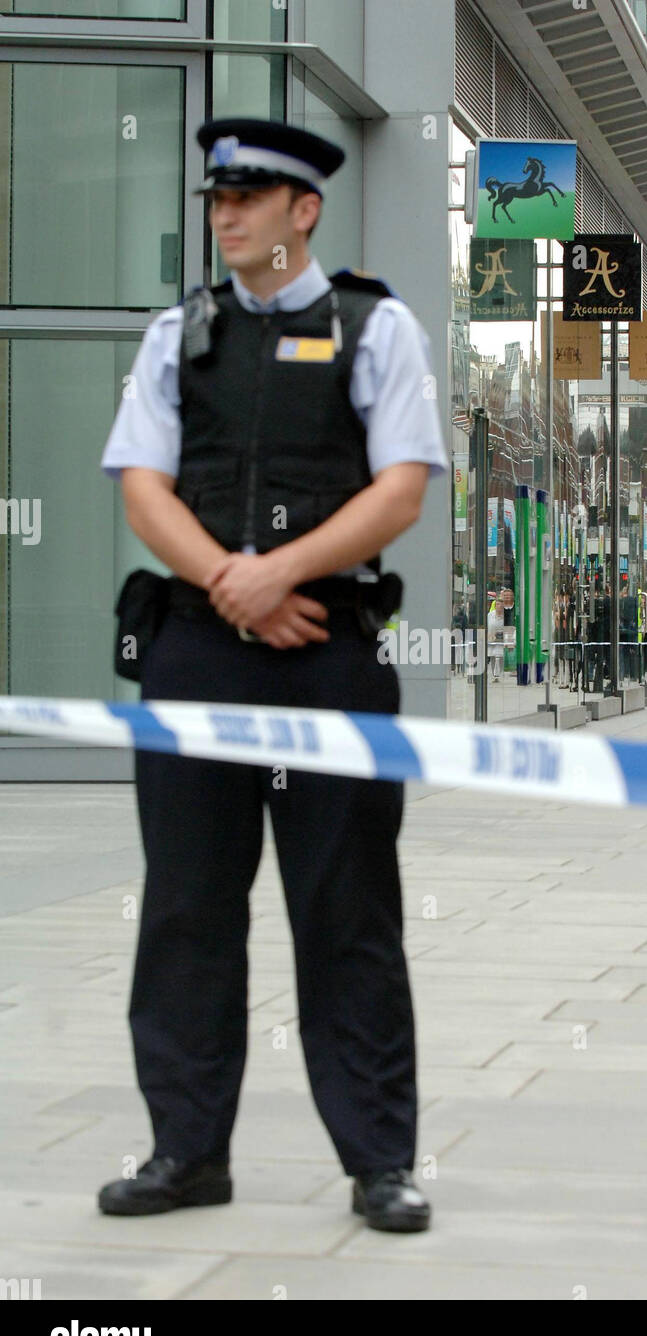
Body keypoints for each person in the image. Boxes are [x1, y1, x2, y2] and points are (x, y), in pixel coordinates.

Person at [97, 118, 447, 1232]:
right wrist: (226, 580)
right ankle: (186, 1152)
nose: (226, 213)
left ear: (305, 212)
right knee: (186, 911)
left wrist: (281, 571)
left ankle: (379, 1161)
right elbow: (142, 485)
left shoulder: (374, 327)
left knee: (346, 911)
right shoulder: (176, 334)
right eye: (216, 197)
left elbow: (401, 486)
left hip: (324, 654)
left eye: (250, 195)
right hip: (196, 650)